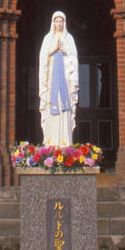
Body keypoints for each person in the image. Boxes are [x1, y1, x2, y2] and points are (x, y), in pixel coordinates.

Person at [38, 10, 79, 147]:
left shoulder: (69, 39)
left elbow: (74, 58)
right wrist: (54, 49)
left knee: (64, 108)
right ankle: (51, 143)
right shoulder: (48, 39)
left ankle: (66, 143)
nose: (59, 23)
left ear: (64, 23)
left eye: (61, 21)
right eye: (56, 21)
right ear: (53, 23)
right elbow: (43, 58)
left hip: (65, 82)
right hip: (51, 82)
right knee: (51, 107)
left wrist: (65, 50)